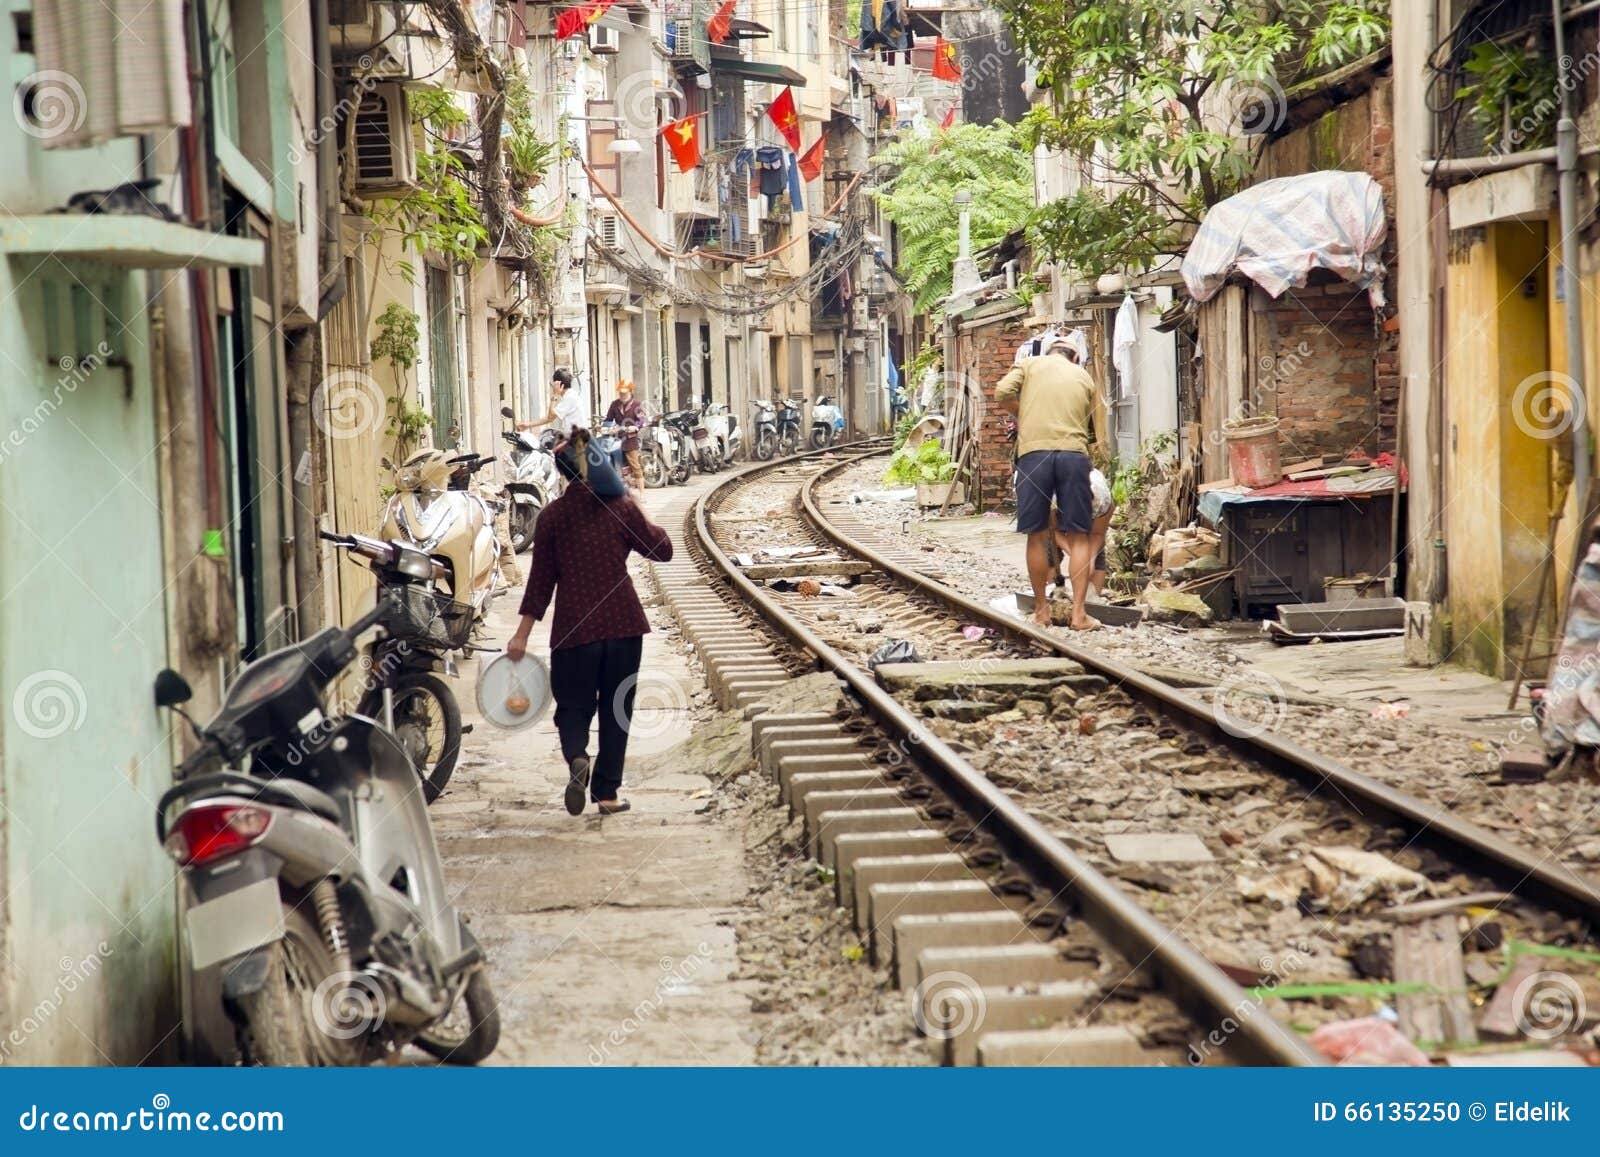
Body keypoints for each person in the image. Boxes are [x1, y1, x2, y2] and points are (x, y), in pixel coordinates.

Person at [504, 430, 673, 816]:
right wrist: (638, 504)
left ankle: (578, 756)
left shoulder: (551, 518)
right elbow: (662, 551)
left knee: (573, 709)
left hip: (574, 629)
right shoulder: (621, 507)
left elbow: (540, 583)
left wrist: (521, 636)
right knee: (618, 710)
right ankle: (607, 793)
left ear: (561, 473)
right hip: (624, 626)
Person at [995, 334, 1106, 631]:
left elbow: (1002, 391)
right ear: (1074, 358)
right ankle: (1079, 615)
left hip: (1034, 455)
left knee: (1037, 534)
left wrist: (1024, 413)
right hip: (1072, 455)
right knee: (1080, 535)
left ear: (1049, 352)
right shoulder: (1084, 377)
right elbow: (1091, 425)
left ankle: (1042, 612)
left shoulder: (1030, 364)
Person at [604, 379, 645, 494]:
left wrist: (635, 427)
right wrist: (606, 428)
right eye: (620, 393)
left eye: (624, 393)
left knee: (635, 466)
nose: (622, 395)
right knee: (617, 466)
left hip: (630, 439)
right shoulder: (615, 404)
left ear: (630, 392)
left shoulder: (636, 404)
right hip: (616, 439)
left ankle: (642, 494)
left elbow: (641, 420)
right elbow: (608, 419)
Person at [520, 367, 582, 440]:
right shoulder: (571, 395)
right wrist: (527, 425)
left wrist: (555, 395)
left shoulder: (569, 398)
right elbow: (549, 418)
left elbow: (550, 417)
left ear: (558, 384)